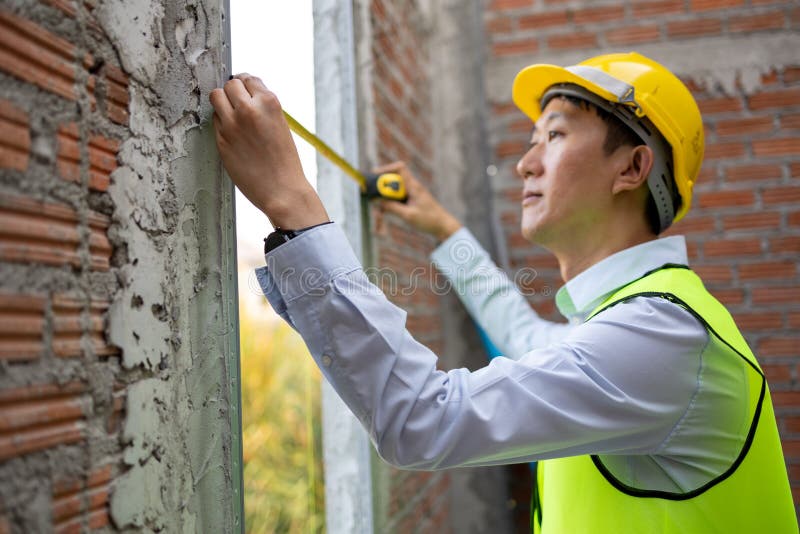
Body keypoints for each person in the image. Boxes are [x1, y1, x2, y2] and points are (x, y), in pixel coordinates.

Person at [210, 52, 797, 532]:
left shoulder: (662, 336)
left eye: (555, 136)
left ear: (632, 168)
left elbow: (420, 419)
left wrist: (293, 204)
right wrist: (443, 229)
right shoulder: (640, 324)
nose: (524, 164)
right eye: (531, 139)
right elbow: (524, 337)